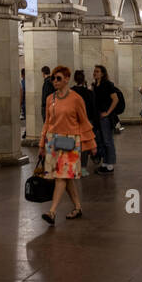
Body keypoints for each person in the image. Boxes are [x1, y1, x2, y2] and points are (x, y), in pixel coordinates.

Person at [39, 65, 94, 223]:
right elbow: (47, 123)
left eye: (58, 78)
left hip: (70, 142)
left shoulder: (76, 98)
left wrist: (91, 143)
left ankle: (52, 212)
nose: (55, 81)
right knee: (66, 177)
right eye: (53, 79)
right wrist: (42, 144)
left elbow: (84, 121)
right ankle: (77, 207)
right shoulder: (51, 98)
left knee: (61, 177)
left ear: (66, 79)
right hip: (53, 141)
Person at [92, 64, 120, 174]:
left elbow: (115, 99)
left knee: (108, 141)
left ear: (103, 73)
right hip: (97, 117)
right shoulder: (95, 85)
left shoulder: (108, 84)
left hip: (105, 117)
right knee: (101, 140)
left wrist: (108, 113)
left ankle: (110, 165)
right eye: (94, 71)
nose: (95, 73)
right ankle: (105, 163)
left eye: (97, 71)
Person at [72, 70, 97, 173]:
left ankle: (73, 166)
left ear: (74, 79)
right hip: (86, 120)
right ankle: (83, 168)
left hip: (73, 121)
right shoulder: (89, 93)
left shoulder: (71, 92)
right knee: (85, 145)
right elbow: (93, 108)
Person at [39, 65, 54, 130]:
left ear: (43, 73)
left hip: (46, 107)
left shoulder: (47, 82)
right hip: (52, 106)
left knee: (47, 126)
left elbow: (45, 96)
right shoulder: (52, 81)